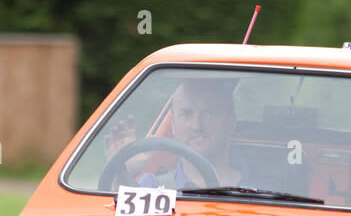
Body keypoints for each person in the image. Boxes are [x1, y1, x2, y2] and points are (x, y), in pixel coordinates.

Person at [104, 78, 256, 189]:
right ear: (173, 126)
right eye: (186, 114)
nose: (197, 125)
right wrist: (121, 173)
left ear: (231, 123)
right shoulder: (152, 188)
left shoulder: (264, 192)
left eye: (209, 113)